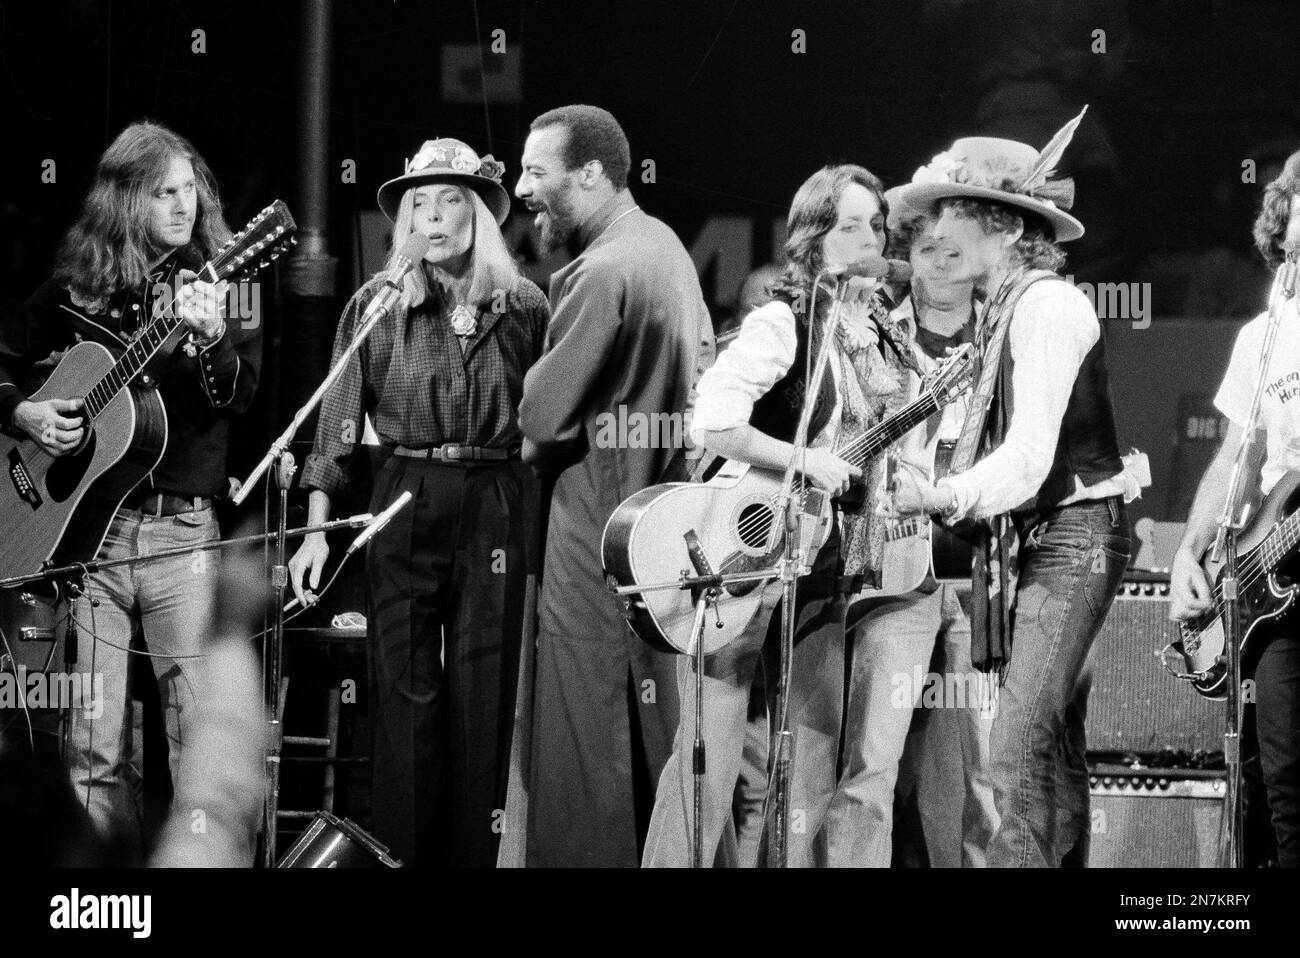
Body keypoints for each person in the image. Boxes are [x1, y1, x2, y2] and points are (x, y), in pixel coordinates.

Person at [642, 163, 913, 867]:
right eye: (848, 224)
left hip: (824, 555)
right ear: (814, 236)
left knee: (811, 755)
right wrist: (803, 461)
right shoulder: (785, 319)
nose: (866, 237)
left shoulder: (879, 332)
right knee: (710, 756)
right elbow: (714, 423)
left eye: (874, 224)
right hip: (745, 547)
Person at [0, 121, 258, 856]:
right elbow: (4, 365)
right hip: (91, 538)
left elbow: (243, 398)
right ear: (124, 201)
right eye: (161, 193)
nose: (181, 206)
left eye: (188, 191)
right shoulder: (74, 289)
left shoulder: (221, 283)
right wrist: (23, 411)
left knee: (195, 728)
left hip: (183, 535)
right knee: (92, 741)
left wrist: (210, 343)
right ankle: (98, 892)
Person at [291, 137, 549, 867]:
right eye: (420, 204)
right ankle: (404, 857)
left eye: (450, 200)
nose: (434, 217)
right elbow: (336, 424)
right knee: (403, 689)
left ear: (479, 211)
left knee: (485, 689)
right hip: (404, 488)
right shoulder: (376, 305)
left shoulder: (524, 303)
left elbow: (553, 419)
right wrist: (316, 532)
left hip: (497, 492)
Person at [890, 124, 1135, 867]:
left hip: (1074, 535)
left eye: (949, 212)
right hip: (1041, 541)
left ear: (999, 221)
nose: (931, 233)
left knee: (1017, 743)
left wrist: (942, 497)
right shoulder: (1003, 311)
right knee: (1048, 745)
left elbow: (1029, 460)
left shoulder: (1048, 307)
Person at [513, 104, 714, 867]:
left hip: (591, 527)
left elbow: (540, 413)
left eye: (538, 171)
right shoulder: (664, 247)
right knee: (650, 737)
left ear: (592, 172)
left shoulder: (598, 271)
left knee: (579, 739)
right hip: (656, 529)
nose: (525, 189)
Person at [825, 194, 997, 867]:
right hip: (897, 575)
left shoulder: (1008, 332)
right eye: (928, 250)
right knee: (871, 766)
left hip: (986, 578)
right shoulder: (871, 327)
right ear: (908, 255)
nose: (942, 263)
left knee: (992, 773)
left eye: (956, 249)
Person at [1168, 148, 1300, 868]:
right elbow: (1237, 456)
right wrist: (1191, 549)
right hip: (1274, 577)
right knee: (1274, 785)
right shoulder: (1266, 334)